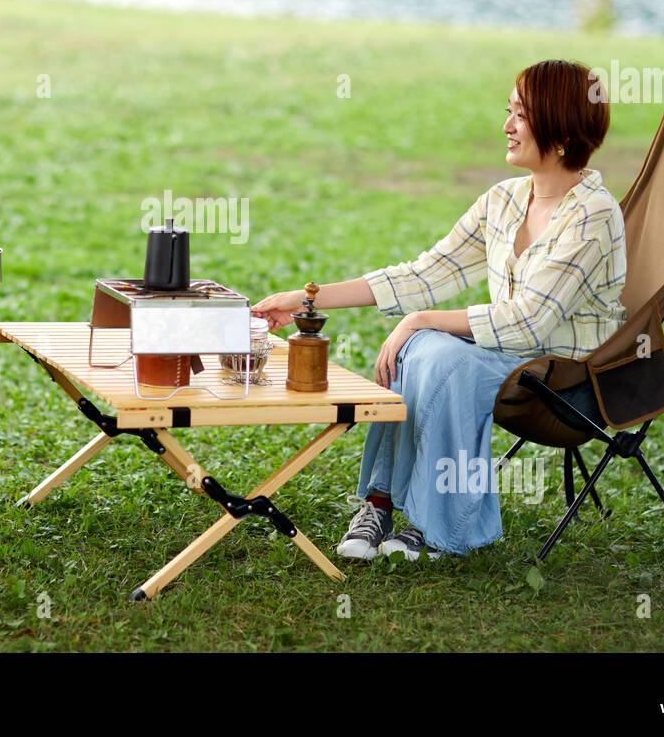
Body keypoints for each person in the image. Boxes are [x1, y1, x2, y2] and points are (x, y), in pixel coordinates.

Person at [253, 59, 627, 561]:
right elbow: (426, 274)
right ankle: (381, 504)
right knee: (422, 348)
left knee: (441, 355)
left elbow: (530, 321)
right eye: (509, 111)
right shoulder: (505, 200)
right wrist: (306, 299)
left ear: (561, 133)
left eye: (521, 115)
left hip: (567, 378)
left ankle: (445, 529)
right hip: (511, 355)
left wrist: (419, 320)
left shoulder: (594, 215)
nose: (507, 126)